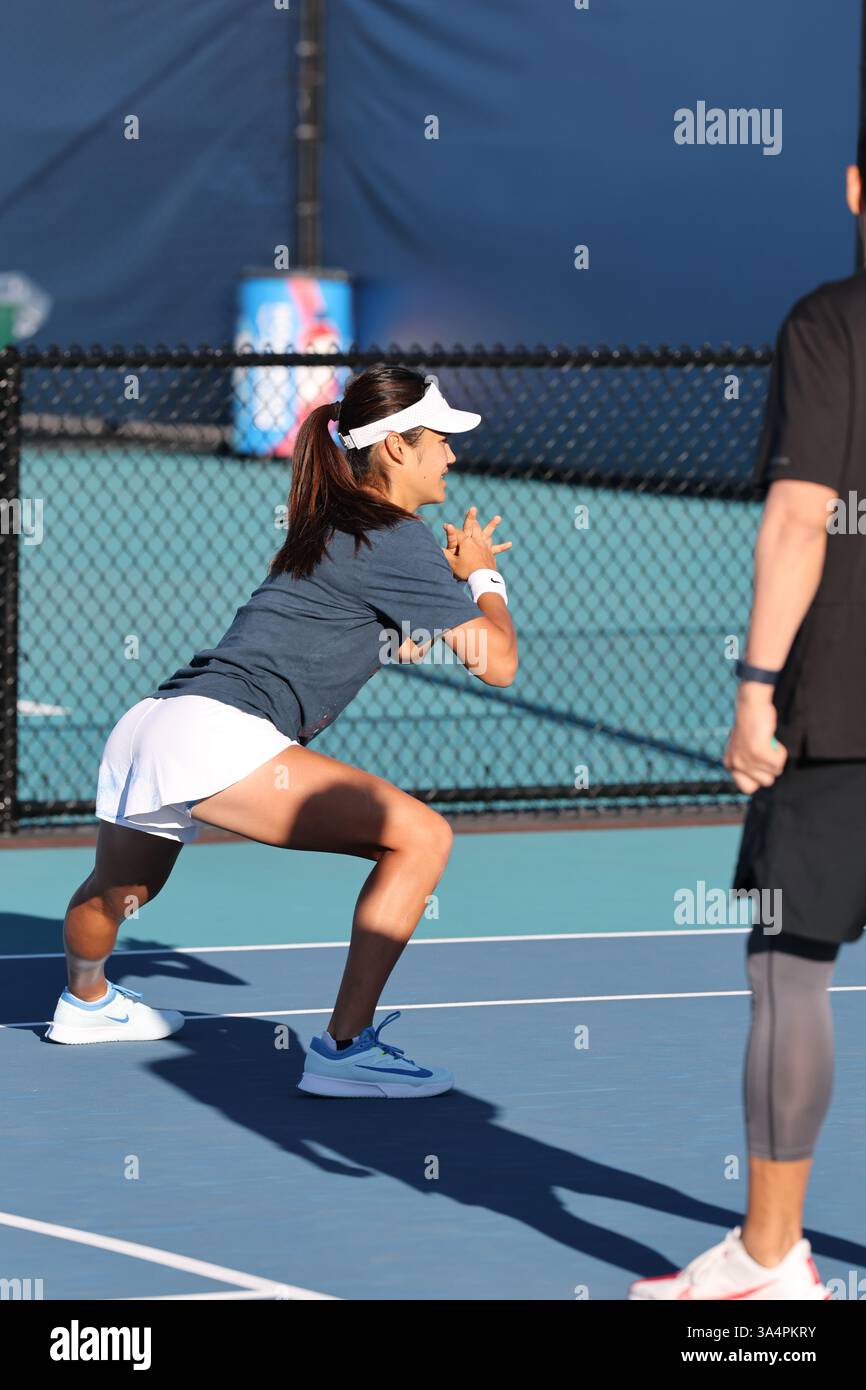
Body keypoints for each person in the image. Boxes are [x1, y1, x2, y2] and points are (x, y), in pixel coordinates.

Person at [46, 366, 518, 1099]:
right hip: (222, 734)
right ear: (395, 449)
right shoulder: (398, 535)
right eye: (440, 441)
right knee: (422, 838)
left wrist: (445, 589)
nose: (451, 457)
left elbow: (409, 639)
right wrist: (484, 578)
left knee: (121, 890)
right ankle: (343, 1049)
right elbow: (499, 665)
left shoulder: (330, 526)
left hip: (153, 724)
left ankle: (85, 1001)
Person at [629, 147, 866, 1301]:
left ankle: (771, 1263)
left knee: (788, 974)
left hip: (839, 713)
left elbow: (797, 518)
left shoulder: (830, 323)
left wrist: (753, 683)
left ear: (855, 189)